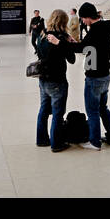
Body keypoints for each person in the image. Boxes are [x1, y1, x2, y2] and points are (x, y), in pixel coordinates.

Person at [47, 2, 110, 150]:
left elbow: (82, 48)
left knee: (92, 111)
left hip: (94, 76)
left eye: (83, 19)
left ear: (88, 17)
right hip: (105, 75)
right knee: (103, 108)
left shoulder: (95, 30)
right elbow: (89, 47)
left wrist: (59, 42)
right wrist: (75, 42)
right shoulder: (106, 27)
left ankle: (94, 142)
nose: (83, 22)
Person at [34, 9, 75, 152]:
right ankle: (57, 144)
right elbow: (72, 59)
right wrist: (69, 43)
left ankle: (41, 139)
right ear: (64, 22)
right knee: (58, 113)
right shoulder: (61, 38)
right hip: (57, 80)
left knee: (44, 110)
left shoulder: (43, 34)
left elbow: (39, 53)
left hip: (43, 79)